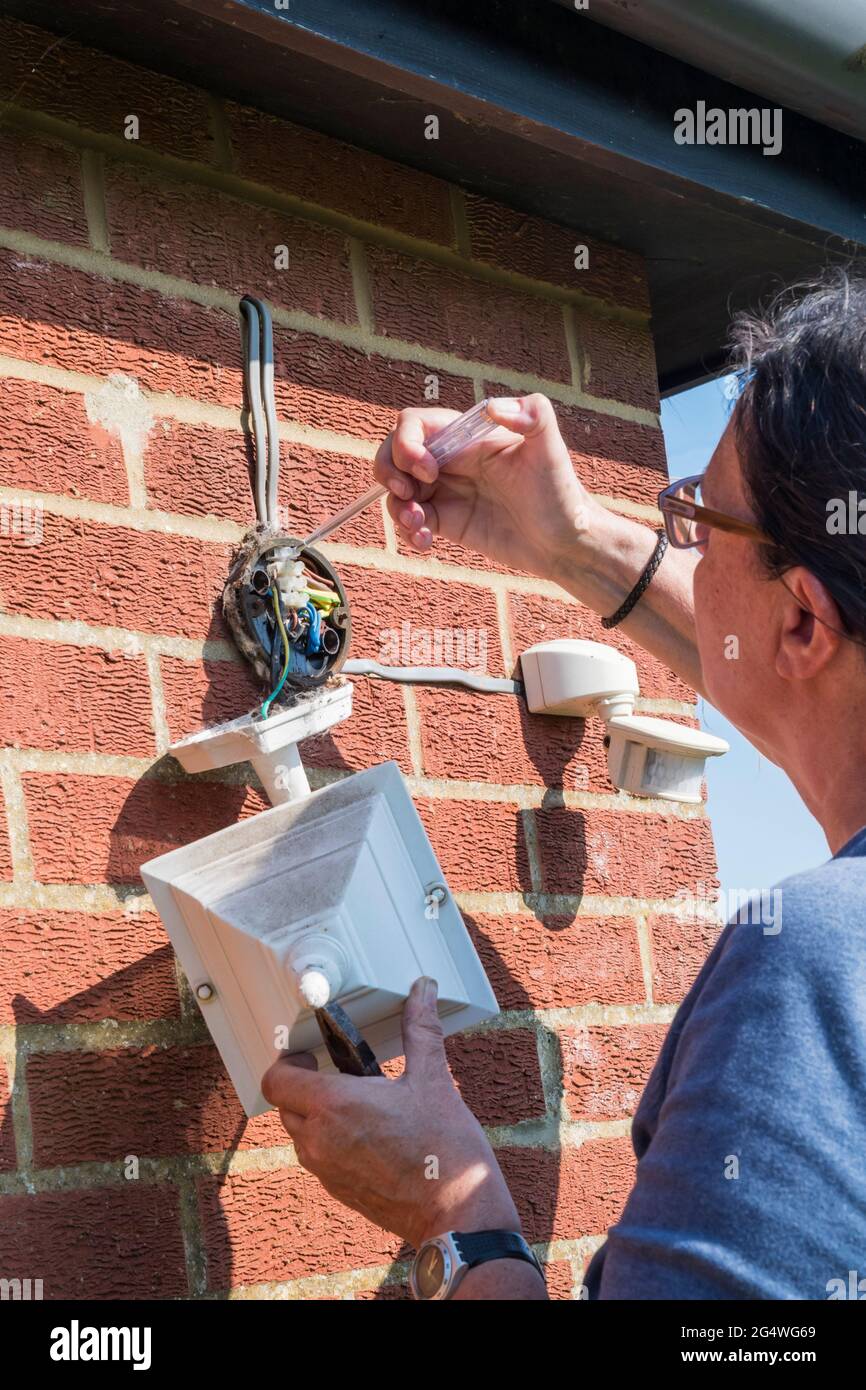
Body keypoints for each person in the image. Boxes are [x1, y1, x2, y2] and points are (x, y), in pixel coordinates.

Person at [263, 270, 866, 1300]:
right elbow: (770, 654)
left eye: (696, 521)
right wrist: (567, 534)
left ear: (802, 621)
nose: (679, 533)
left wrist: (455, 1215)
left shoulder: (813, 970)